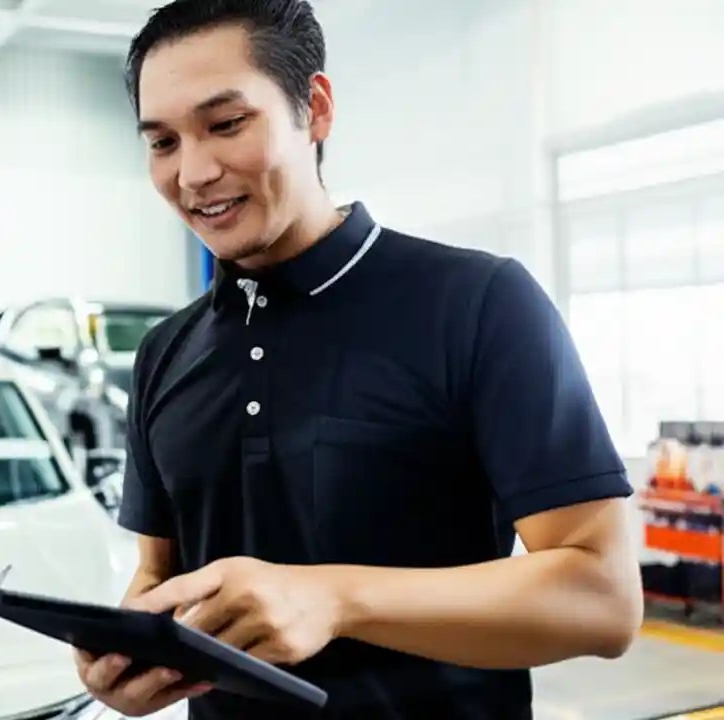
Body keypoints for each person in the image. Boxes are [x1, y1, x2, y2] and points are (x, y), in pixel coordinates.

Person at [74, 1, 643, 718]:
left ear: (313, 110)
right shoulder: (165, 353)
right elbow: (157, 575)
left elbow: (603, 599)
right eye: (162, 143)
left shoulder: (478, 304)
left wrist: (334, 599)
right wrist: (134, 655)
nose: (194, 172)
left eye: (225, 125)